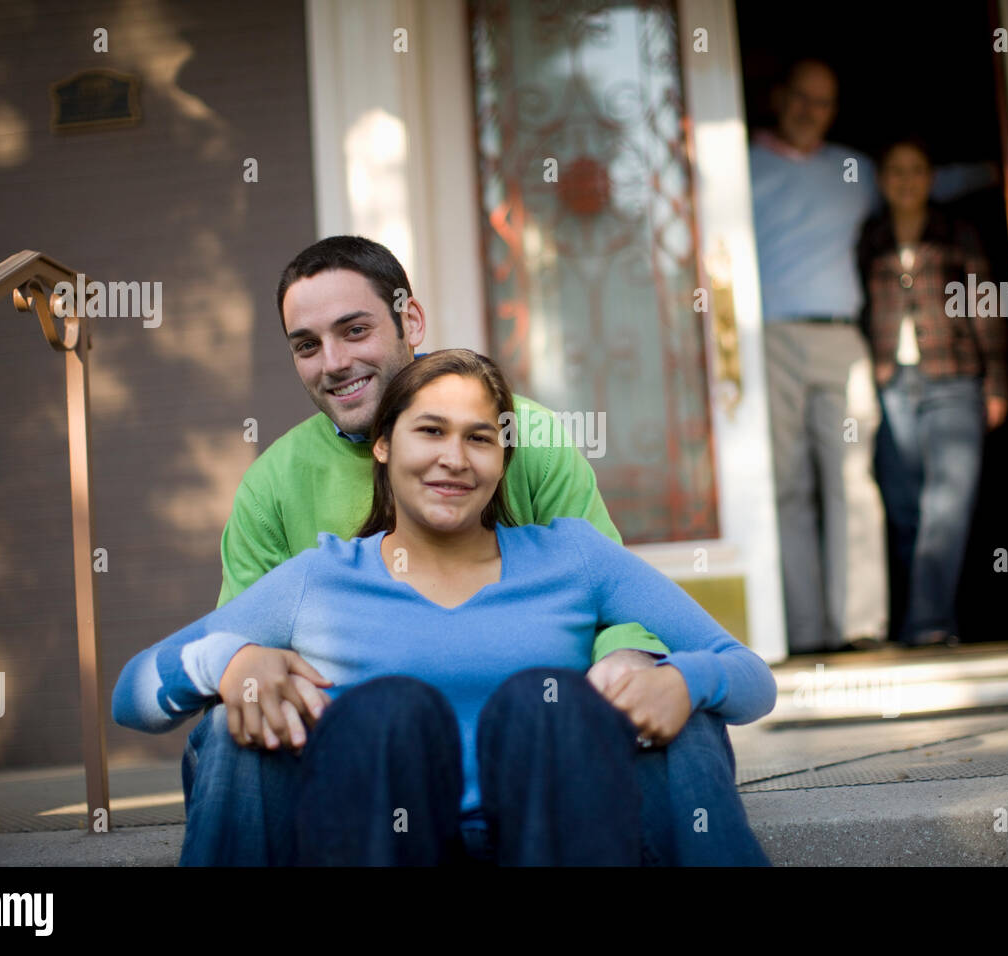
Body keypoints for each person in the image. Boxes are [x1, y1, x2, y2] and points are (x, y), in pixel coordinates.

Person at [161, 235, 757, 864]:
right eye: (307, 345)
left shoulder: (522, 438)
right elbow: (224, 643)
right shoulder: (274, 486)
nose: (333, 361)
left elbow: (617, 598)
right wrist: (240, 661)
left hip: (539, 755)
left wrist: (636, 661)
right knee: (230, 729)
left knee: (676, 702)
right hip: (359, 774)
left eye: (354, 330)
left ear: (409, 321)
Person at [749, 58, 888, 654]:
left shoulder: (854, 169)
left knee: (853, 481)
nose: (811, 110)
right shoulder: (741, 162)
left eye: (824, 102)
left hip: (841, 338)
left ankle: (858, 627)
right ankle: (802, 635)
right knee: (786, 487)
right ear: (779, 96)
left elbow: (917, 187)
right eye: (801, 97)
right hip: (768, 338)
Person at [856, 138, 1008, 647]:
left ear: (930, 177)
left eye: (916, 169)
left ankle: (928, 625)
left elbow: (984, 306)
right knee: (903, 511)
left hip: (954, 378)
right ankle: (924, 618)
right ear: (881, 179)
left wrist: (996, 381)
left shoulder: (955, 233)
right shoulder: (870, 236)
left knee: (947, 506)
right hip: (891, 385)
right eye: (895, 170)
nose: (905, 179)